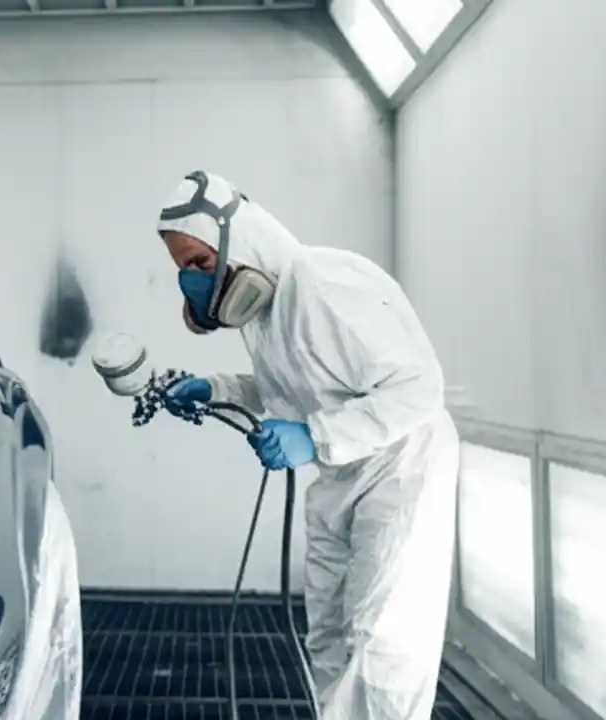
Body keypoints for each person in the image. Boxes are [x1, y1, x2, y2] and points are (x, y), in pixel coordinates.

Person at [158, 172, 459, 720]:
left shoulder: (325, 285)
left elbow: (418, 388)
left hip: (400, 468)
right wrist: (216, 389)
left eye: (200, 263)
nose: (193, 282)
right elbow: (289, 387)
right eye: (184, 270)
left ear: (240, 242)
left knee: (382, 640)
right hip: (341, 473)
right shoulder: (264, 312)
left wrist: (316, 435)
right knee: (328, 630)